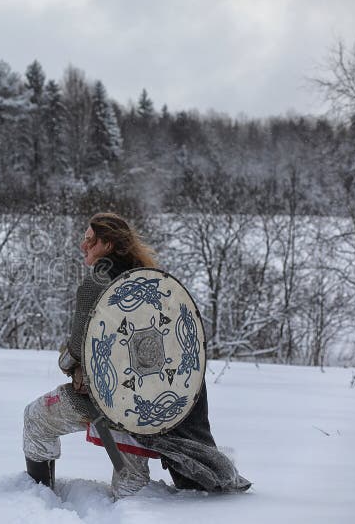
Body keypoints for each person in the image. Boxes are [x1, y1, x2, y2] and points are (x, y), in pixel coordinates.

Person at [23, 212, 251, 498]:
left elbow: (78, 350)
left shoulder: (97, 282)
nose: (83, 246)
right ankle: (132, 508)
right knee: (129, 478)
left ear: (107, 244)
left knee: (36, 418)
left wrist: (66, 362)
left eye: (89, 240)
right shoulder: (154, 283)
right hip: (153, 412)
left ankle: (35, 497)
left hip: (108, 408)